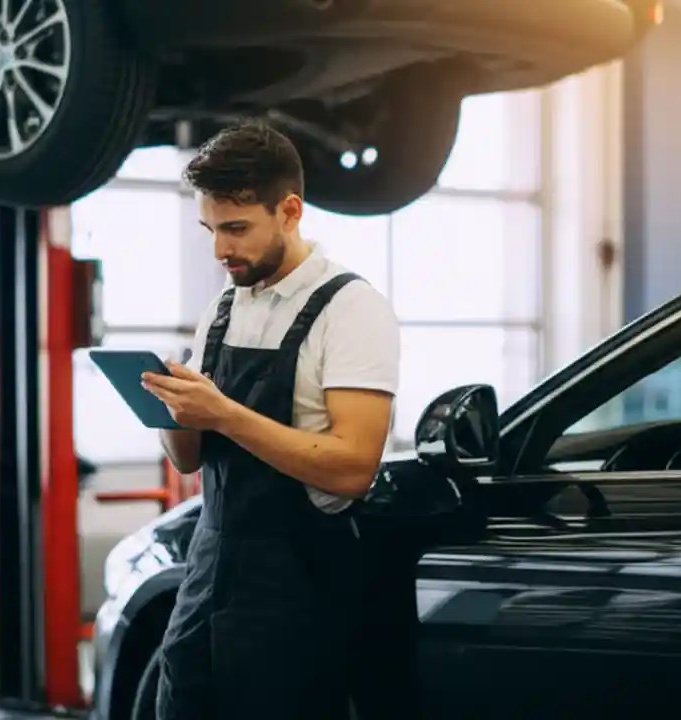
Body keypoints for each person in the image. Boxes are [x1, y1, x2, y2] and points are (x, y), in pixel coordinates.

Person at [139, 122, 401, 720]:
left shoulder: (352, 310)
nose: (220, 251)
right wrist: (168, 406)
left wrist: (225, 414)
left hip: (299, 587)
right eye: (210, 230)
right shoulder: (225, 307)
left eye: (236, 229)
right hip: (209, 571)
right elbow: (188, 458)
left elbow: (354, 467)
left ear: (289, 211)